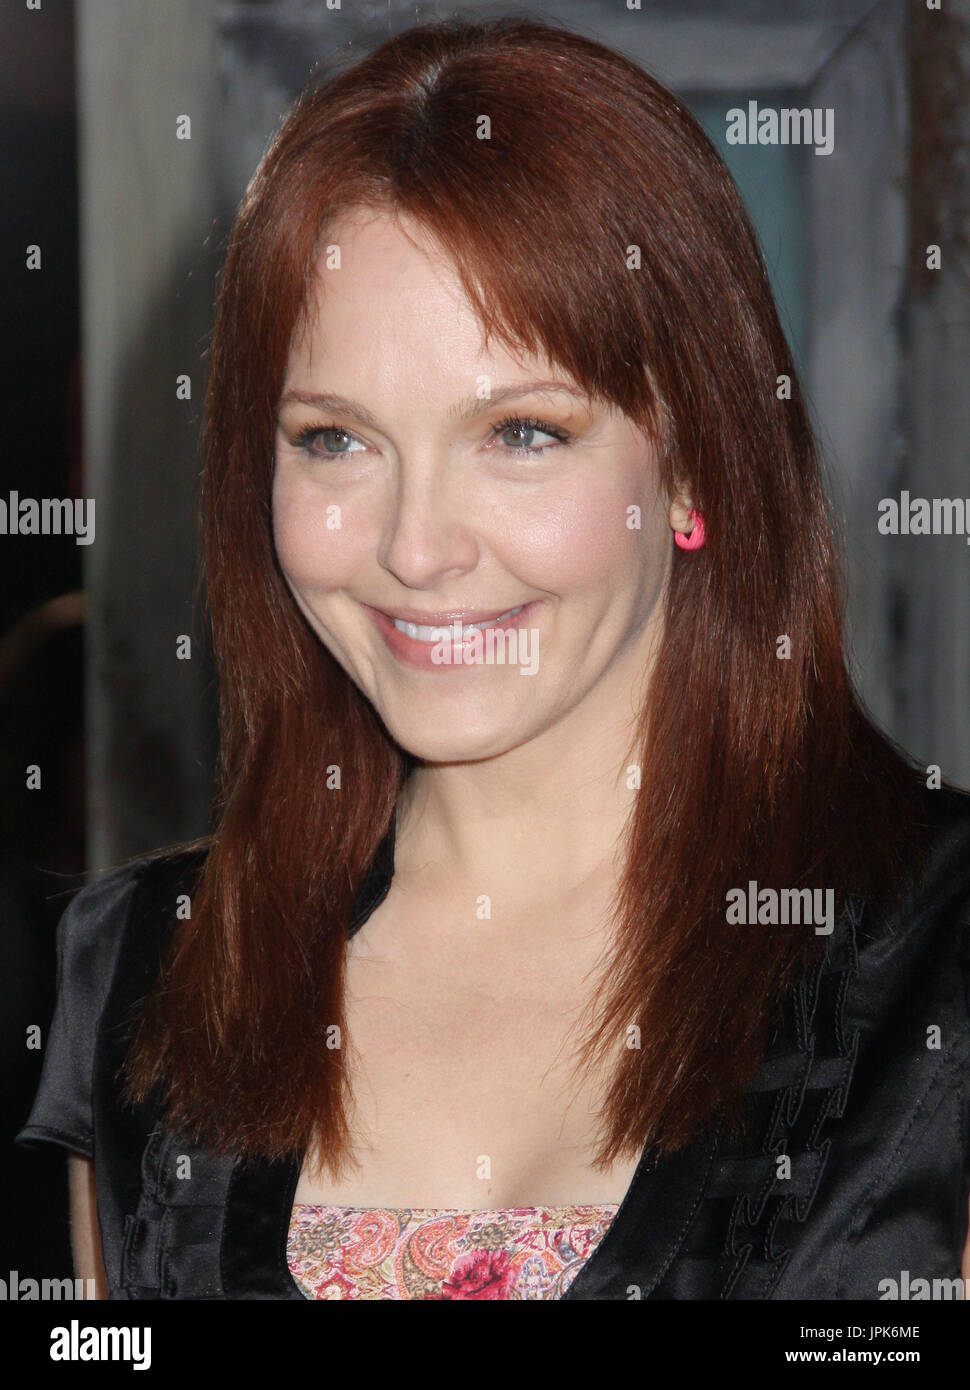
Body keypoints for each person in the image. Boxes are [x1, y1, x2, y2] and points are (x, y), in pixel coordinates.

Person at [16, 15, 970, 1301]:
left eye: (522, 433)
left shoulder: (936, 964)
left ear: (693, 458)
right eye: (335, 440)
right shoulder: (146, 972)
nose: (416, 549)